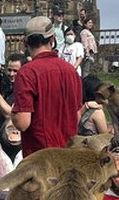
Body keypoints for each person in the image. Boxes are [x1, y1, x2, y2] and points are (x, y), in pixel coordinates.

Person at [11, 16, 82, 156]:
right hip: (69, 153)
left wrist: (13, 112)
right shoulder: (71, 71)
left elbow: (22, 123)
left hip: (40, 159)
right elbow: (76, 116)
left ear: (25, 43)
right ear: (52, 39)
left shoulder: (27, 72)